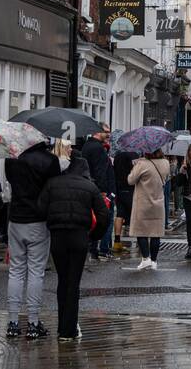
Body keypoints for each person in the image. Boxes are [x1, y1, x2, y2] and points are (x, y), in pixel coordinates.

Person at [39, 155, 111, 341]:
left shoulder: (52, 184)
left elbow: (40, 208)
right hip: (79, 236)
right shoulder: (90, 187)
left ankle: (62, 324)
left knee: (62, 280)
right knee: (74, 283)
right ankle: (68, 329)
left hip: (58, 236)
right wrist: (94, 236)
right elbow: (104, 215)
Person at [4, 140, 61, 339]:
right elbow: (54, 188)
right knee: (36, 271)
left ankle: (12, 321)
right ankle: (33, 322)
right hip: (38, 219)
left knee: (16, 269)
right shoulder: (50, 160)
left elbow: (11, 182)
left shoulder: (12, 158)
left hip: (16, 218)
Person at [128, 149, 170, 269]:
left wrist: (135, 166)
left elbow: (130, 180)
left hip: (143, 203)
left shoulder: (142, 164)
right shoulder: (165, 163)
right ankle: (154, 261)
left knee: (141, 232)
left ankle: (145, 258)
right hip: (158, 203)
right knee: (155, 233)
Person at [81, 126, 116, 262]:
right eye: (106, 132)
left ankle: (93, 249)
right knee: (103, 220)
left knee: (92, 219)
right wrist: (102, 191)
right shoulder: (98, 149)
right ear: (96, 131)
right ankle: (97, 250)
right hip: (98, 190)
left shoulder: (87, 146)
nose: (108, 135)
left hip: (89, 187)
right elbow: (100, 171)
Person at [112, 143, 137, 255]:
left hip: (119, 189)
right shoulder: (134, 155)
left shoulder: (117, 156)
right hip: (131, 189)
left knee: (120, 215)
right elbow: (136, 172)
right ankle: (142, 241)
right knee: (137, 215)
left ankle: (117, 242)